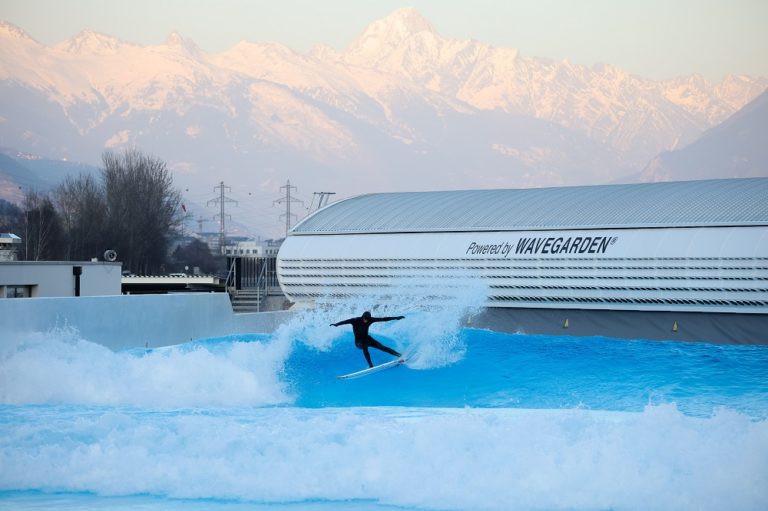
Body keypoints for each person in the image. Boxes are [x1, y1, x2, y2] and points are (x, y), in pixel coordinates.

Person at [331, 311, 404, 367]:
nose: (366, 321)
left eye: (367, 320)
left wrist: (396, 318)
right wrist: (337, 324)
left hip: (367, 338)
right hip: (358, 342)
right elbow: (345, 321)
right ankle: (370, 365)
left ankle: (399, 355)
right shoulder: (355, 320)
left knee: (382, 347)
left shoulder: (370, 320)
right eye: (365, 319)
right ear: (362, 317)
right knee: (365, 346)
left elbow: (383, 319)